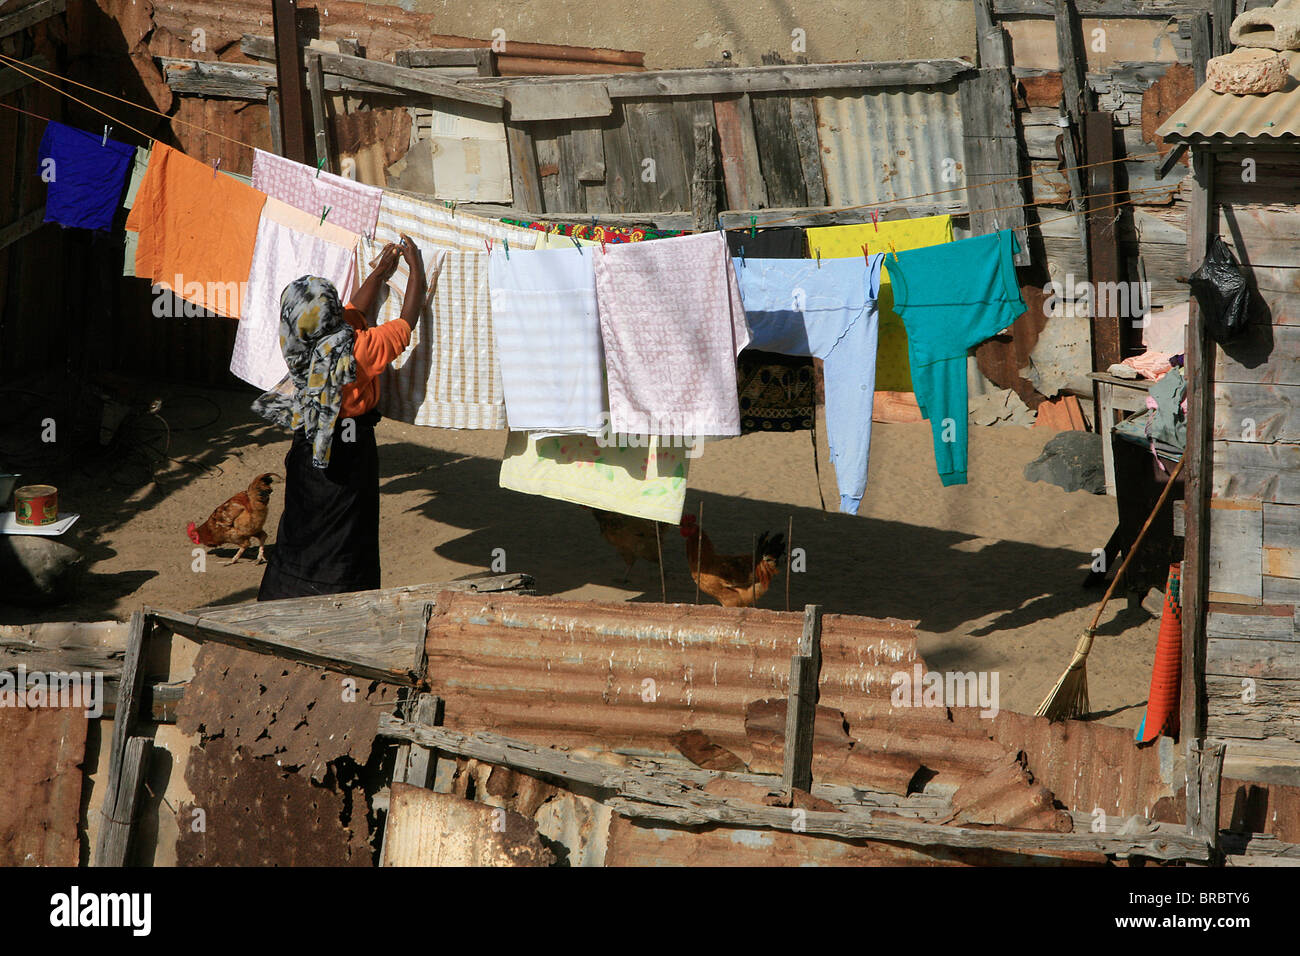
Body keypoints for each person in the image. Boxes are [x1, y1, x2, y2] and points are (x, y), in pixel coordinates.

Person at [252, 234, 429, 600]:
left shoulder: (302, 341)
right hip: (349, 450)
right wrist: (417, 271)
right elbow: (407, 322)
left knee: (303, 527)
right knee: (347, 533)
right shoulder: (358, 351)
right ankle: (344, 604)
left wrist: (380, 273)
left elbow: (356, 311)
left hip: (307, 448)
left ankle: (285, 599)